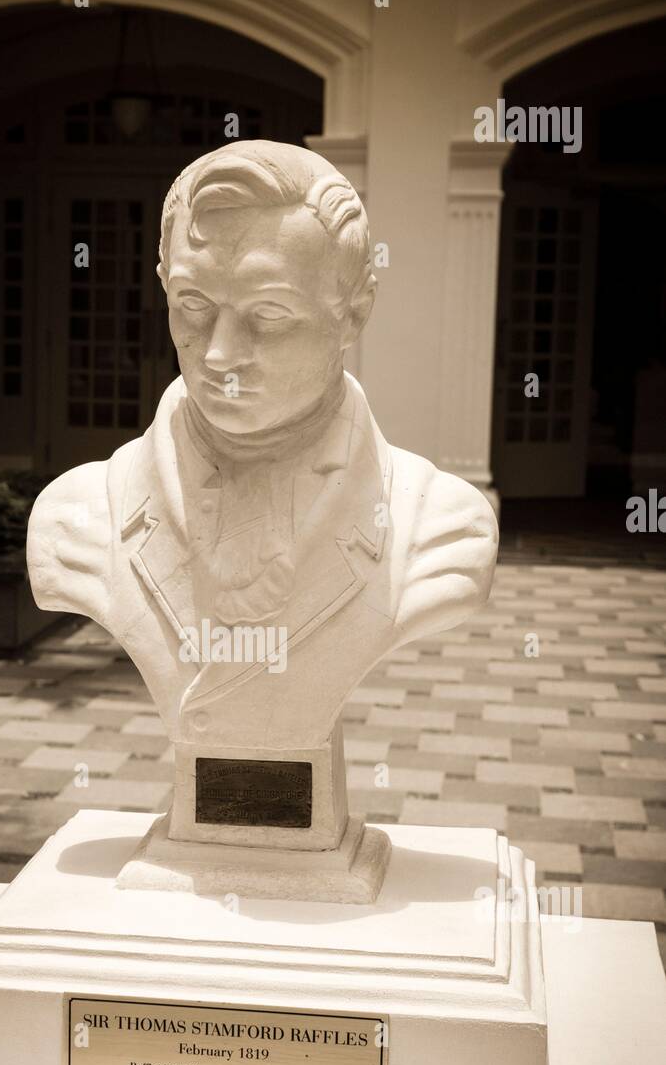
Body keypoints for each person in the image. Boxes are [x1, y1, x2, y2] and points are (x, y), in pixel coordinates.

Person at [27, 140, 498, 754]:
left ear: (354, 313)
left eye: (269, 315)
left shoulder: (439, 531)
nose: (219, 354)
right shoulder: (78, 517)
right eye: (192, 305)